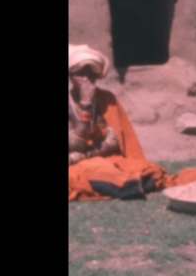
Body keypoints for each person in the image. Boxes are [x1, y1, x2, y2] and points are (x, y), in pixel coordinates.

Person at [68, 44, 170, 201]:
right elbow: (77, 142)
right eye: (80, 74)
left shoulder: (106, 99)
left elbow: (114, 140)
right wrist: (85, 102)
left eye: (91, 74)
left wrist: (89, 153)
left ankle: (133, 182)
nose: (86, 79)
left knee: (149, 170)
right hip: (75, 165)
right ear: (70, 75)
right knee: (95, 170)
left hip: (106, 158)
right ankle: (128, 186)